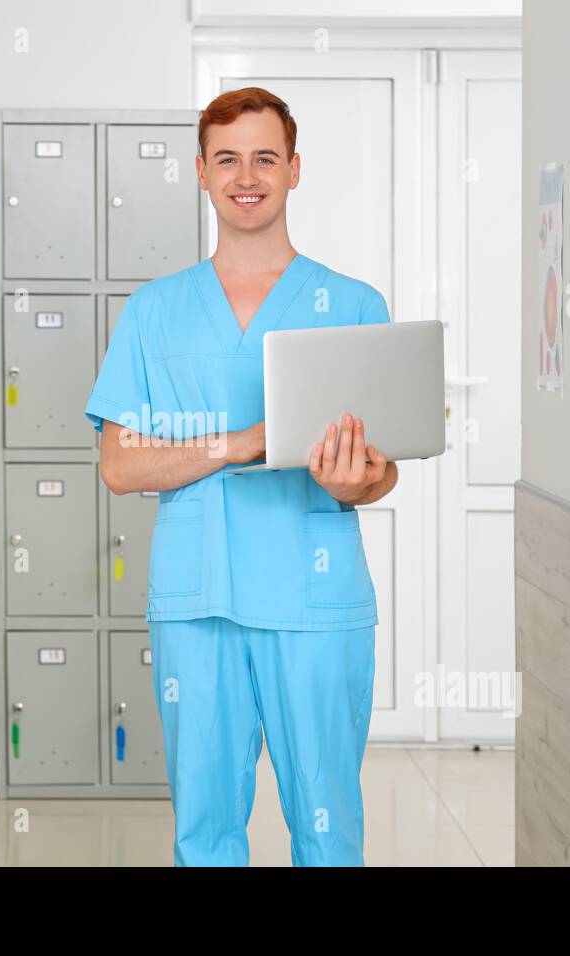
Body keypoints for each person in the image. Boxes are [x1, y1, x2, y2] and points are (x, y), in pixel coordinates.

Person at [84, 86, 398, 866]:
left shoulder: (353, 305)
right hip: (201, 600)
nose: (246, 174)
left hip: (314, 601)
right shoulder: (156, 311)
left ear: (295, 170)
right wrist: (243, 443)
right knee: (206, 830)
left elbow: (380, 475)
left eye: (265, 157)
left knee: (328, 831)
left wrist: (350, 481)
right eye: (227, 158)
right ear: (201, 172)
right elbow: (120, 465)